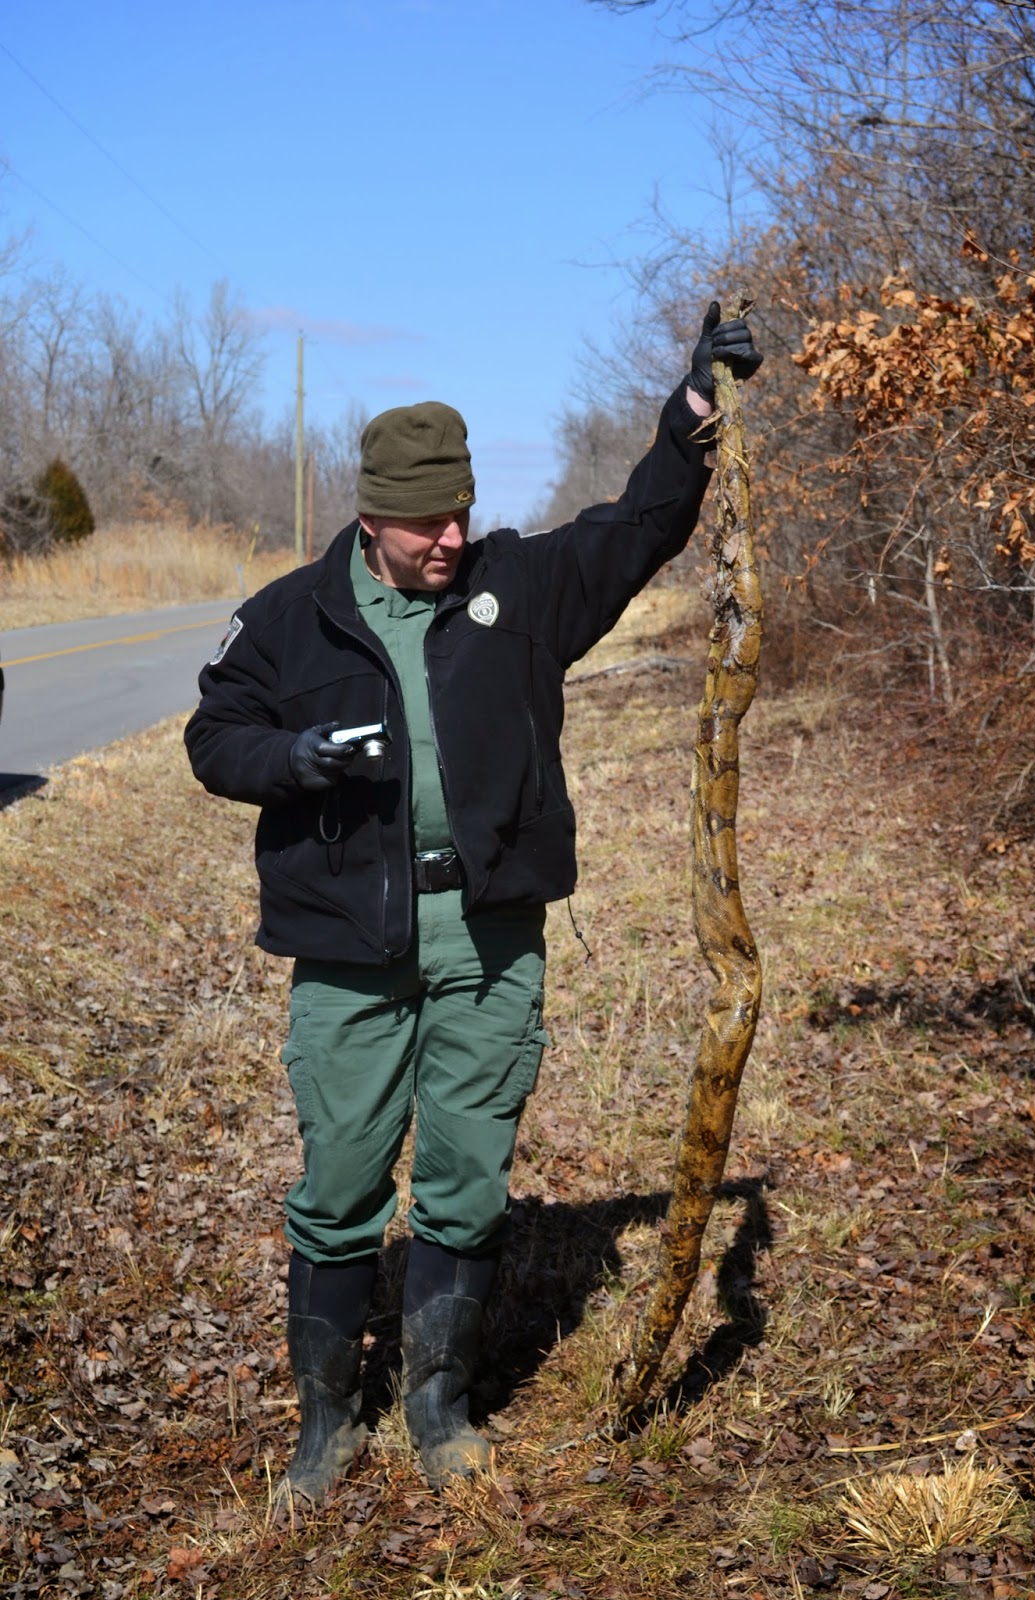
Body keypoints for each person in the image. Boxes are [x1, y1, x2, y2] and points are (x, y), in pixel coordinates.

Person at [184, 301, 762, 1504]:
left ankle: (439, 1409)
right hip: (348, 944)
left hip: (489, 935)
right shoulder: (294, 617)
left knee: (466, 1173)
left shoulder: (521, 588)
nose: (448, 536)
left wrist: (694, 407)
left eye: (458, 509)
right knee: (341, 1181)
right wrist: (292, 761)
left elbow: (639, 523)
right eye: (421, 521)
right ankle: (326, 1424)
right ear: (367, 516)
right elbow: (213, 735)